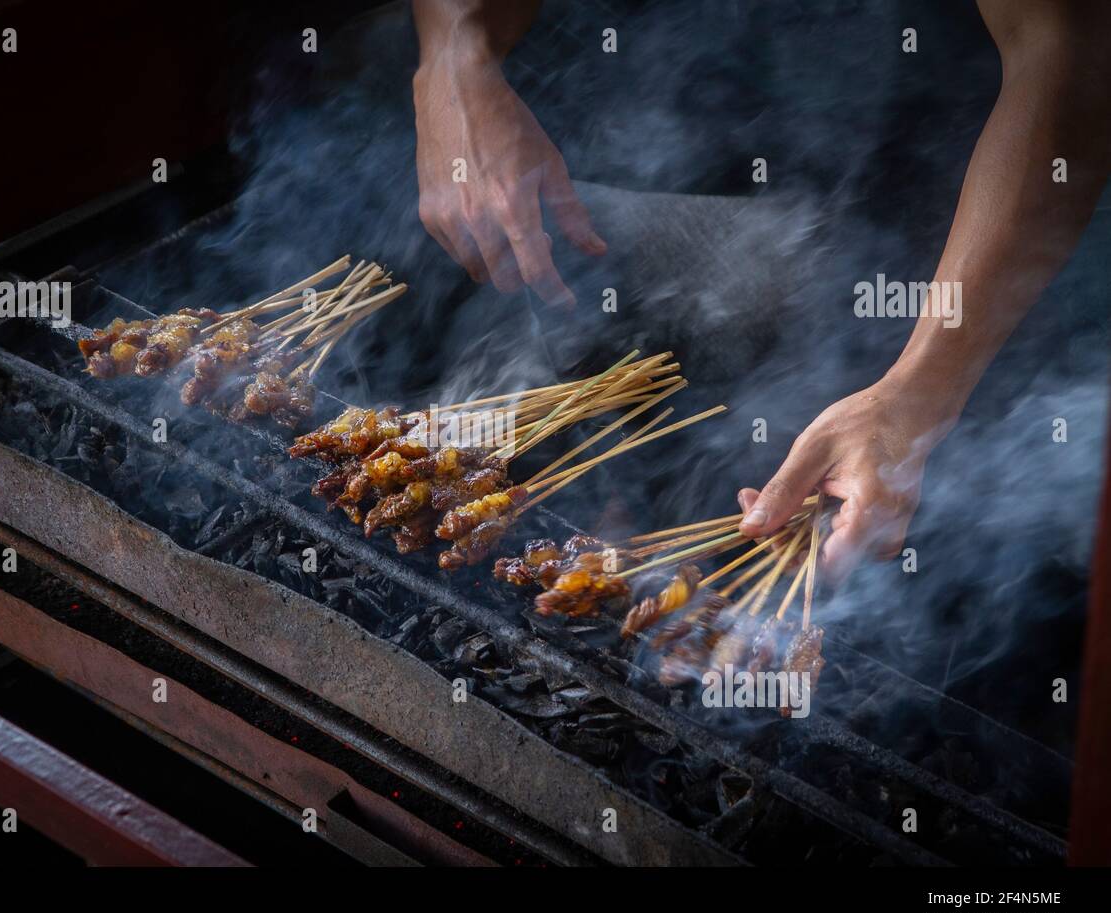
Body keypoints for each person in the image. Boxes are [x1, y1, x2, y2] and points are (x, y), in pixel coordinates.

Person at [410, 0, 1111, 578]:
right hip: (599, 177)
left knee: (785, 568)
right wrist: (454, 61)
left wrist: (916, 398)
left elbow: (1063, 52)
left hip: (899, 274)